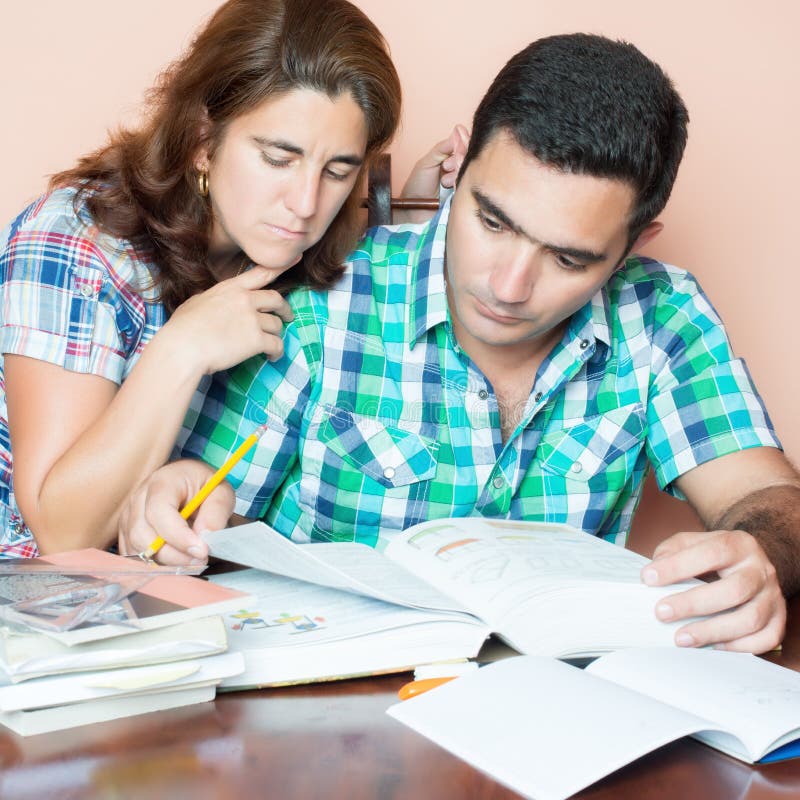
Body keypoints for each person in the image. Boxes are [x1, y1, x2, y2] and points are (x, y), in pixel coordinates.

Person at [118, 34, 800, 654]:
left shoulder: (662, 314)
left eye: (569, 260)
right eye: (493, 220)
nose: (507, 286)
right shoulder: (319, 300)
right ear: (462, 161)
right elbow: (209, 520)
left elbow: (771, 498)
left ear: (632, 246)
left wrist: (758, 555)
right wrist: (181, 509)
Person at [0, 0, 407, 557]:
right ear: (201, 140)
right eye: (278, 159)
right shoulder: (75, 240)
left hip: (176, 595)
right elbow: (59, 533)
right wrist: (182, 347)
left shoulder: (297, 263)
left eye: (338, 170)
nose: (307, 203)